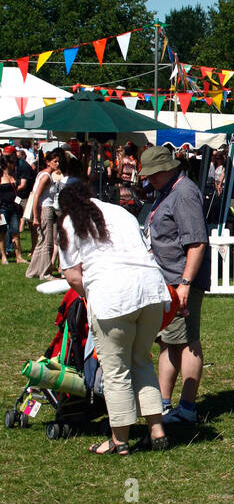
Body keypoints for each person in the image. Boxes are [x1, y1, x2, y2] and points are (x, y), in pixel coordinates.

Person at [56, 180, 170, 455]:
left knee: (116, 370)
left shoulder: (69, 224)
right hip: (151, 291)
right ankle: (157, 432)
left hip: (114, 297)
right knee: (141, 361)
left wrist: (91, 294)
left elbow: (72, 275)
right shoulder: (121, 212)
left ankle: (119, 440)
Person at [139, 145, 210, 425]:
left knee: (187, 342)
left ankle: (188, 408)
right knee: (168, 341)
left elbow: (196, 242)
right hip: (166, 279)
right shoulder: (168, 191)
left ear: (169, 169)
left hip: (180, 280)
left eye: (153, 174)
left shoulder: (183, 194)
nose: (149, 180)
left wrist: (184, 284)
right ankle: (165, 403)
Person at [25, 146, 64, 279]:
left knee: (43, 241)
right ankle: (45, 273)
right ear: (48, 162)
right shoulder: (46, 176)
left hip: (46, 209)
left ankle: (33, 271)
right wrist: (36, 216)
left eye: (58, 161)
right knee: (47, 242)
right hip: (45, 209)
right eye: (55, 161)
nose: (57, 164)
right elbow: (36, 196)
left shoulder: (42, 174)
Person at [0, 153, 25, 263]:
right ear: (7, 163)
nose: (14, 164)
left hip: (13, 207)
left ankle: (19, 257)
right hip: (2, 208)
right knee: (2, 232)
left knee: (15, 231)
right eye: (12, 162)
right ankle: (4, 256)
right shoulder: (0, 175)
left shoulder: (13, 174)